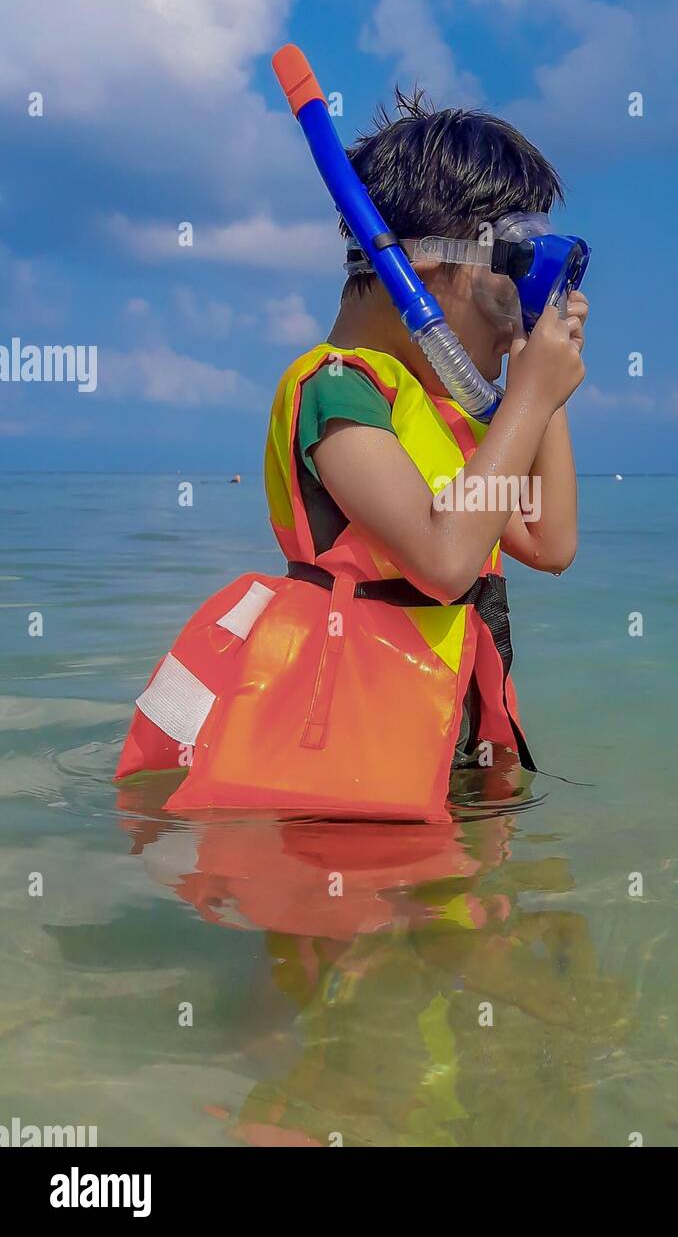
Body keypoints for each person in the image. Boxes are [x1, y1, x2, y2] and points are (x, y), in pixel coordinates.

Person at [115, 89, 587, 821]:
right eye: (512, 281)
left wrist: (539, 394)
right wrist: (525, 401)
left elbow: (551, 542)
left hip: (441, 745)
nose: (518, 311)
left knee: (480, 927)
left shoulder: (457, 418)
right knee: (350, 926)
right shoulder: (339, 390)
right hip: (344, 759)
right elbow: (443, 557)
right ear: (429, 268)